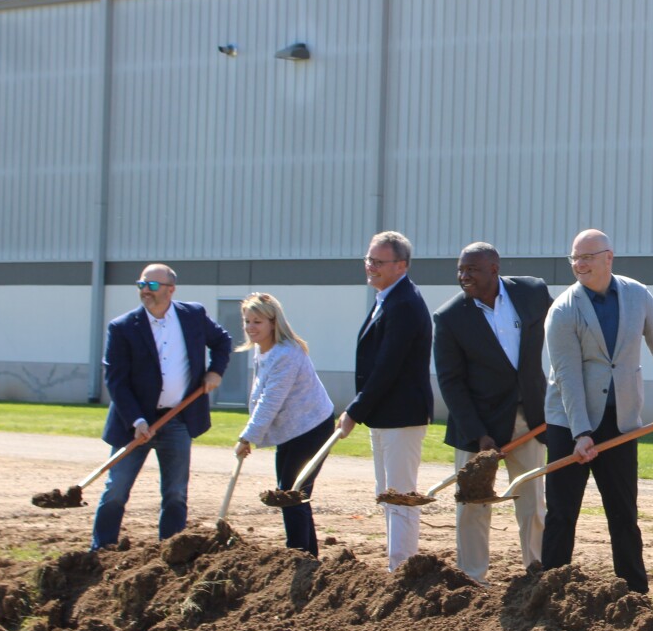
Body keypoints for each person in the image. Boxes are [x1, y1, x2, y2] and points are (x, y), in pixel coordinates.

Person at [541, 229, 653, 593]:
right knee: (562, 513)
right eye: (574, 258)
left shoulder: (638, 295)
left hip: (622, 421)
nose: (579, 265)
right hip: (569, 421)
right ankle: (548, 590)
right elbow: (567, 376)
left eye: (587, 257)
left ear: (609, 257)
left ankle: (635, 594)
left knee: (624, 513)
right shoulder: (563, 310)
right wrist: (580, 434)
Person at [90, 264, 233, 551]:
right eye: (141, 284)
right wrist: (137, 420)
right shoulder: (122, 328)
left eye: (152, 286)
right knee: (116, 490)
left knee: (175, 493)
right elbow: (116, 381)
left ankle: (170, 552)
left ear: (171, 289)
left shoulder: (192, 316)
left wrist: (216, 371)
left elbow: (222, 341)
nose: (145, 290)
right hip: (134, 424)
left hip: (178, 419)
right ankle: (101, 550)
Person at [432, 242, 551, 582]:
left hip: (528, 418)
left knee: (532, 503)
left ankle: (536, 572)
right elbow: (450, 382)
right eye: (460, 270)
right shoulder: (450, 317)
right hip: (477, 425)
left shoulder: (532, 292)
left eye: (472, 269)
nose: (463, 276)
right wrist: (477, 433)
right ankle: (473, 577)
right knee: (472, 505)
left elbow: (561, 335)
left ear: (494, 269)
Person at [340, 231, 434, 572]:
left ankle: (404, 569)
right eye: (369, 260)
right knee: (386, 494)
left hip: (402, 417)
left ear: (401, 265)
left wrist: (354, 409)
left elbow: (388, 365)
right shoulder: (387, 298)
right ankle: (397, 566)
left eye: (378, 262)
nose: (371, 267)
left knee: (400, 496)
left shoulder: (405, 303)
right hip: (383, 416)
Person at [234, 293, 335, 556]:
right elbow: (261, 396)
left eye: (257, 321)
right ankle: (306, 556)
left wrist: (247, 437)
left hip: (312, 428)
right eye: (247, 321)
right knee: (290, 493)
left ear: (272, 322)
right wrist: (250, 434)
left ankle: (298, 556)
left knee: (291, 494)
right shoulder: (262, 350)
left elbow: (271, 400)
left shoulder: (286, 353)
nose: (250, 327)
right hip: (291, 431)